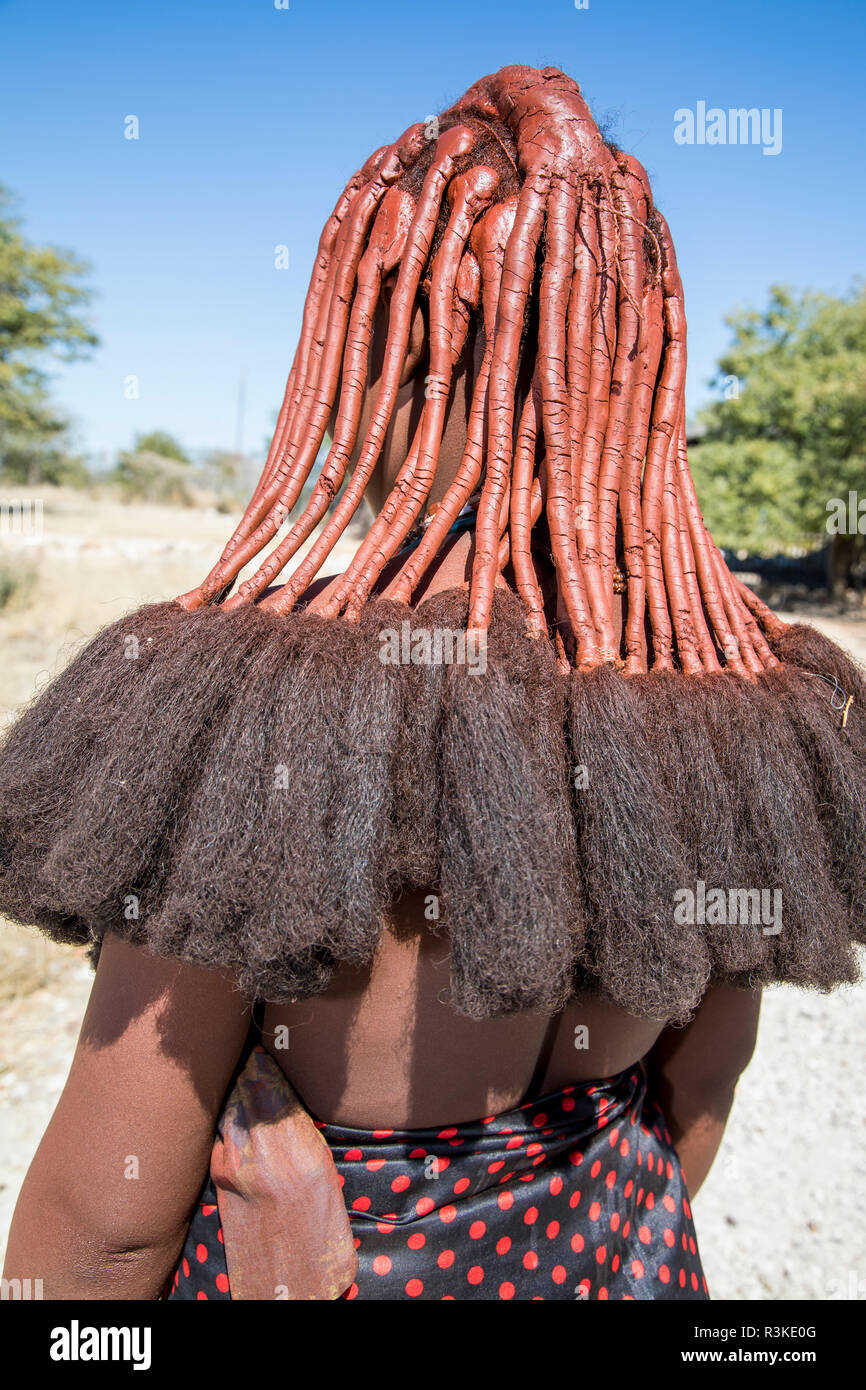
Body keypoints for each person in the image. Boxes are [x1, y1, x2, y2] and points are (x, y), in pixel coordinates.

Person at [1, 65, 863, 1302]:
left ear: (379, 343)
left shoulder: (252, 704)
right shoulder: (739, 704)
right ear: (629, 353)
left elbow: (108, 1222)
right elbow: (700, 1086)